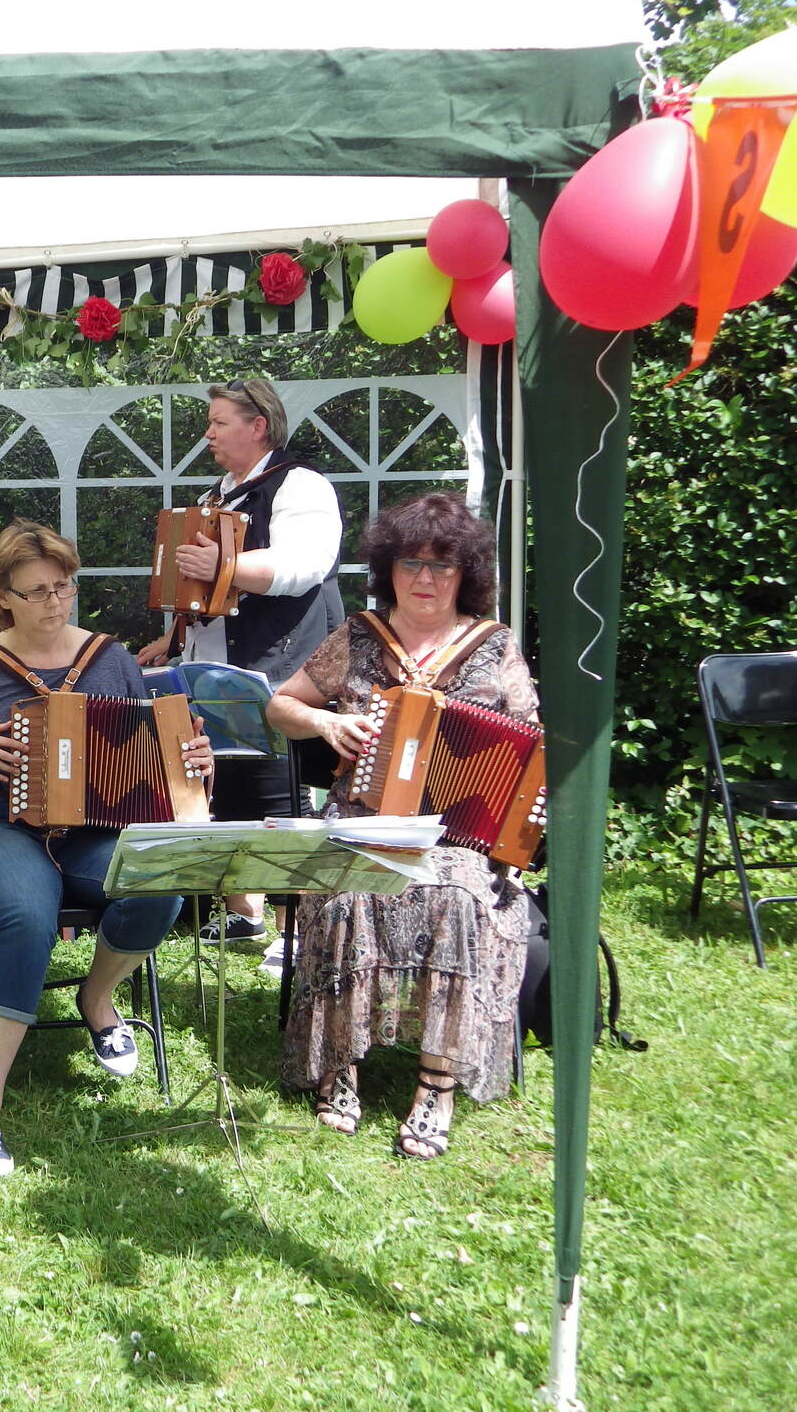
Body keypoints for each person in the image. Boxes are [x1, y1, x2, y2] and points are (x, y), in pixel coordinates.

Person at [0, 521, 211, 1177]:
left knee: (161, 885)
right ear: (2, 596)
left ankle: (96, 999)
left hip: (96, 829)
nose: (54, 602)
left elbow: (154, 751)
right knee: (28, 916)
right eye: (37, 592)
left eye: (63, 587)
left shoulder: (109, 657)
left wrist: (192, 756)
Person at [266, 491, 536, 1160]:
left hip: (458, 831)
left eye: (442, 566)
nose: (425, 578)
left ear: (464, 573)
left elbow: (532, 742)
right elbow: (278, 704)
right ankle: (340, 1068)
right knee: (345, 887)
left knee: (460, 897)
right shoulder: (358, 637)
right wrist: (327, 722)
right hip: (362, 815)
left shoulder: (494, 646)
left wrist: (522, 810)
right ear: (389, 567)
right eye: (412, 562)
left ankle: (436, 1086)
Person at [137, 376, 343, 950]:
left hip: (284, 664)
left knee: (284, 793)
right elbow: (206, 593)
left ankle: (298, 935)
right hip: (219, 661)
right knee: (225, 781)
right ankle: (245, 913)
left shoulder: (301, 485)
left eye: (219, 422)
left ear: (258, 427)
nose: (208, 433)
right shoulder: (220, 494)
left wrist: (222, 566)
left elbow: (304, 564)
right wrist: (173, 636)